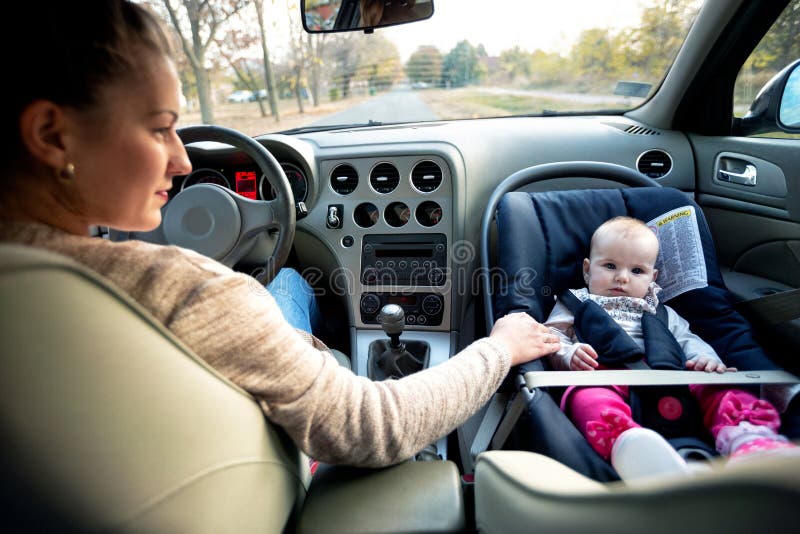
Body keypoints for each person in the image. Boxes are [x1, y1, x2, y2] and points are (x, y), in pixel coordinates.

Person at [0, 0, 560, 469]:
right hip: (283, 482)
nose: (180, 162)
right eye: (159, 128)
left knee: (288, 279)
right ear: (52, 135)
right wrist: (501, 347)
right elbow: (374, 426)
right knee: (289, 282)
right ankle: (321, 349)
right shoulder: (191, 291)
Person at [544, 216, 797, 480]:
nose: (622, 278)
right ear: (587, 270)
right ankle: (628, 445)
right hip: (604, 374)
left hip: (673, 374)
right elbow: (551, 335)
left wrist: (704, 360)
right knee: (586, 399)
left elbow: (688, 340)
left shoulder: (661, 312)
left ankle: (750, 440)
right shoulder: (576, 303)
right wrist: (569, 354)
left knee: (720, 389)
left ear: (653, 278)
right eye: (609, 266)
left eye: (636, 271)